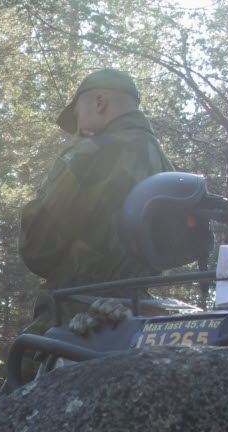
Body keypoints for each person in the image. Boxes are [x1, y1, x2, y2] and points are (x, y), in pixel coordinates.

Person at [20, 68, 177, 332]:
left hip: (76, 314)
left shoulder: (89, 154)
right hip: (138, 314)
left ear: (100, 102)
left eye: (77, 115)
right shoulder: (168, 168)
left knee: (26, 357)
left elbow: (37, 246)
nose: (77, 129)